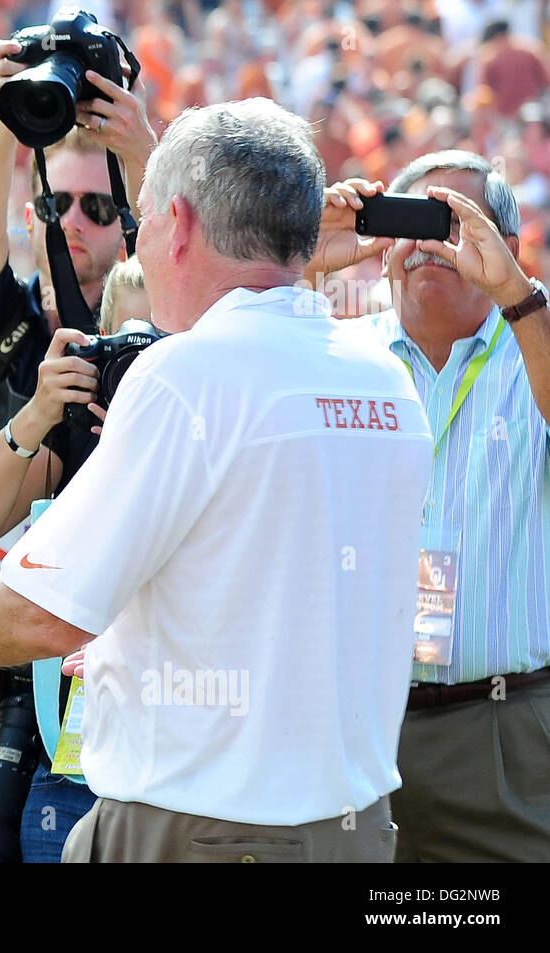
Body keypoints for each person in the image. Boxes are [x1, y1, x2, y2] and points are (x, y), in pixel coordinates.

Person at [0, 98, 435, 864]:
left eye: (143, 216)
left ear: (182, 222)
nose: (142, 239)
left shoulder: (187, 373)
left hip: (201, 831)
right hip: (354, 827)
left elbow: (41, 616)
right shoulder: (385, 377)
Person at [306, 152, 550, 861]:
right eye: (407, 222)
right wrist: (299, 266)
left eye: (450, 223)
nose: (424, 244)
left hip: (501, 731)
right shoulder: (340, 353)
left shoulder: (530, 347)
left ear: (503, 246)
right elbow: (232, 406)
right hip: (352, 734)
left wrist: (517, 292)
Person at [0, 259, 151, 863]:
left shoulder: (215, 430)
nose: (141, 369)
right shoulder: (77, 426)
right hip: (73, 760)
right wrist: (39, 410)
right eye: (126, 348)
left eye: (161, 347)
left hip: (179, 763)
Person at [0, 34, 157, 443]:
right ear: (30, 220)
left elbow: (169, 246)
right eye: (56, 203)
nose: (72, 220)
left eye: (97, 207)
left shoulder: (144, 317)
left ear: (126, 226)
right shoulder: (5, 313)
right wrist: (9, 112)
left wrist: (140, 145)